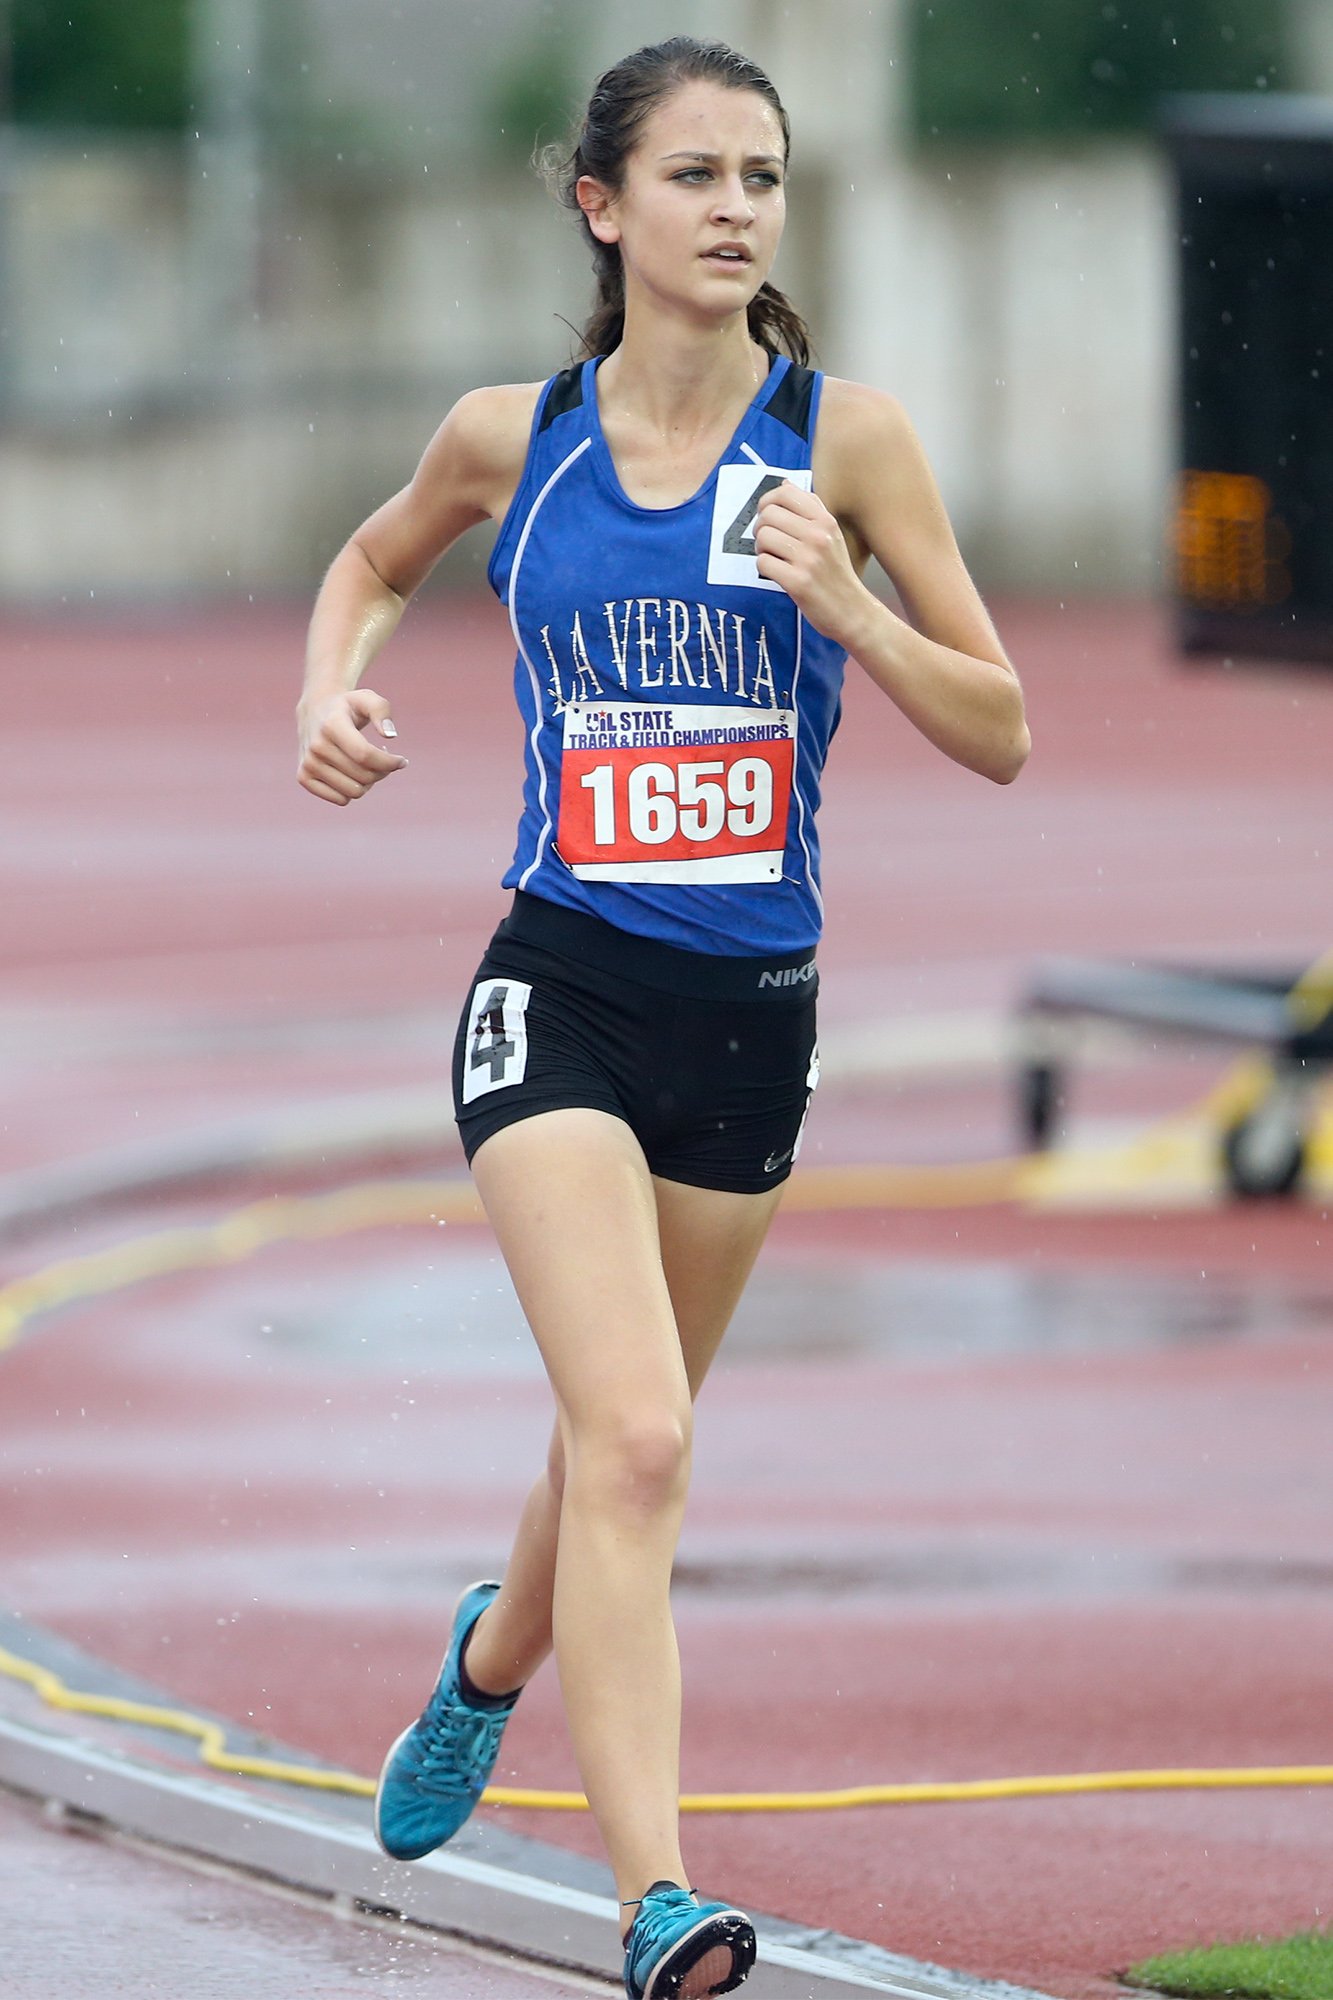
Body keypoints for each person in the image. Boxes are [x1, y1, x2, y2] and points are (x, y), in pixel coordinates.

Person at [298, 35, 1028, 2000]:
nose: (734, 209)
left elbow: (1002, 730)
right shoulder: (507, 438)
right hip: (560, 989)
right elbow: (370, 562)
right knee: (633, 1433)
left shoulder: (847, 444)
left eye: (761, 177)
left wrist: (854, 611)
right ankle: (655, 1901)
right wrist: (328, 688)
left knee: (619, 1444)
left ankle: (488, 1660)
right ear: (601, 206)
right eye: (694, 175)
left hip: (749, 1023)